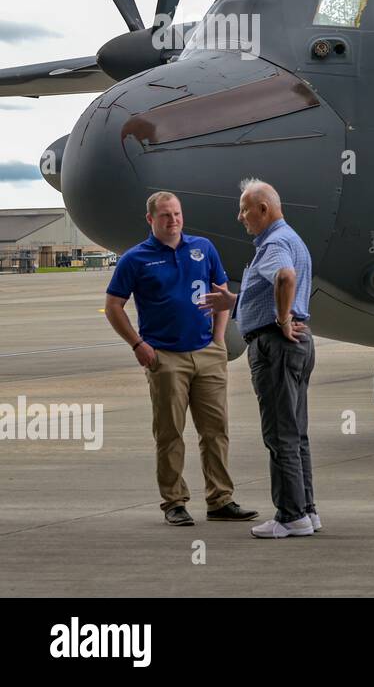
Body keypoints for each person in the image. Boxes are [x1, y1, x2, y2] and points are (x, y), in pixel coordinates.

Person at [104, 192, 258, 526]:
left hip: (207, 353)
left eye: (176, 214)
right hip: (165, 357)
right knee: (170, 433)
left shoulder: (202, 247)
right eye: (165, 216)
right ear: (150, 220)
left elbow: (221, 293)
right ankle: (174, 501)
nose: (173, 220)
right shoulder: (135, 259)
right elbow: (113, 305)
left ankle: (221, 499)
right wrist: (137, 344)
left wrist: (219, 340)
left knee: (216, 430)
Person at [202, 179, 318, 538]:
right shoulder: (289, 238)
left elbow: (285, 277)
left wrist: (282, 321)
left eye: (244, 209)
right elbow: (269, 292)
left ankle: (290, 516)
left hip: (276, 345)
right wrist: (233, 302)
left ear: (263, 209)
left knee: (279, 435)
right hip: (293, 342)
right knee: (296, 434)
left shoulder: (274, 244)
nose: (240, 217)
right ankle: (306, 511)